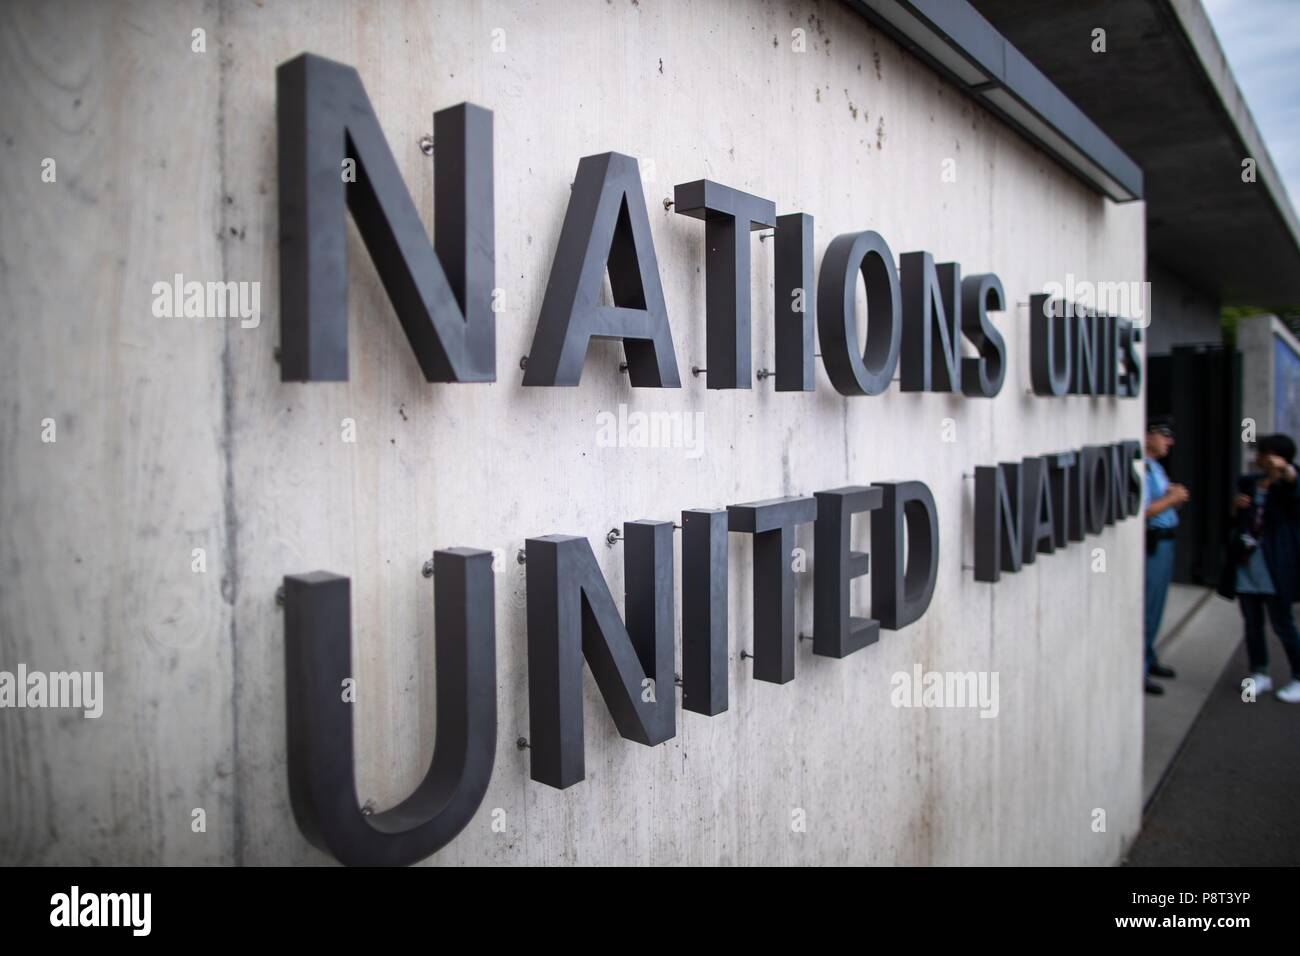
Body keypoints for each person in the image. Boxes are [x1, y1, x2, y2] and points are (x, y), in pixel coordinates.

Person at [1216, 433, 1300, 703]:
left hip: (1276, 567)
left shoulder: (1289, 484)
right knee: (1252, 623)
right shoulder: (1249, 483)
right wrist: (1234, 509)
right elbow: (1232, 524)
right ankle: (1259, 672)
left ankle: (1298, 677)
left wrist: (1286, 470)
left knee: (1283, 624)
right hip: (1247, 563)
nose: (1259, 458)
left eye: (1264, 453)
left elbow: (1294, 489)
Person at [1143, 416, 1188, 696]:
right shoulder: (1141, 467)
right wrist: (1171, 499)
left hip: (1166, 543)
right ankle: (1140, 668)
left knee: (1157, 606)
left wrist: (1173, 499)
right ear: (1147, 434)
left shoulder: (1156, 468)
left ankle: (1149, 657)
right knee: (1146, 608)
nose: (1169, 441)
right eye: (1163, 434)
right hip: (1152, 544)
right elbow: (1142, 510)